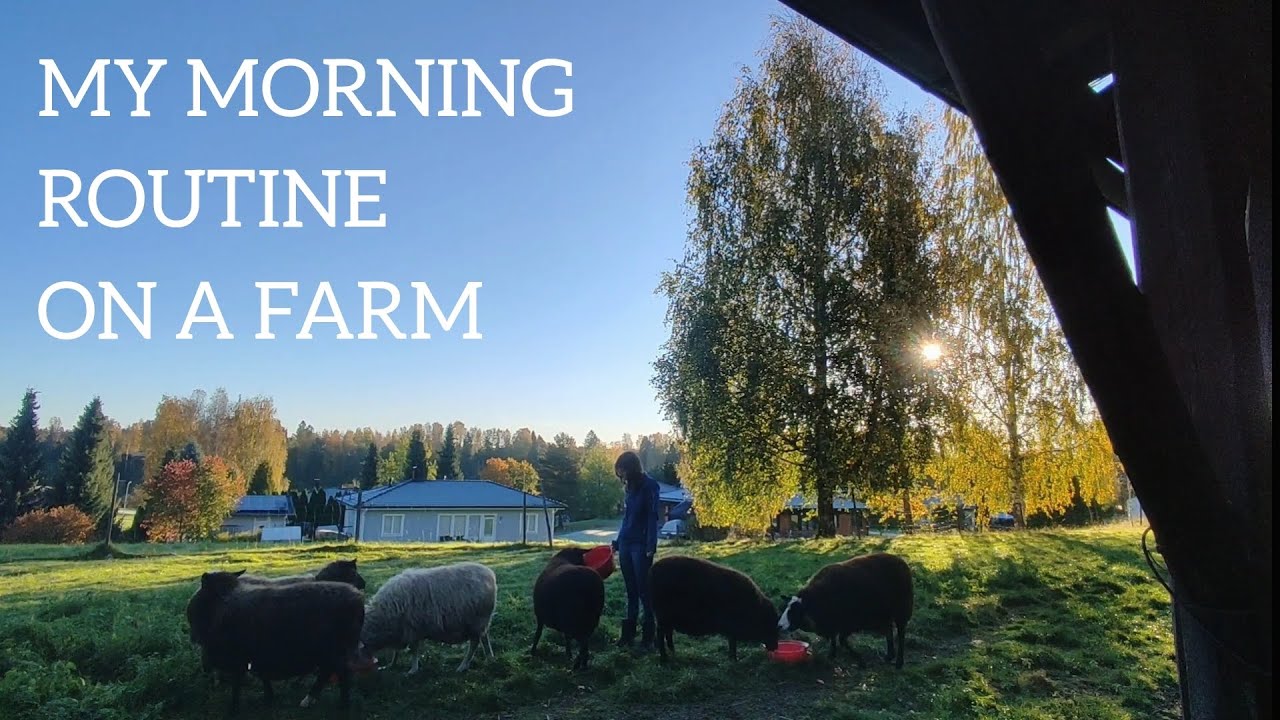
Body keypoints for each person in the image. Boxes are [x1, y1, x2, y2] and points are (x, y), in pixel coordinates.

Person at [611, 450, 660, 652]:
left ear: (630, 468)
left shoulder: (651, 486)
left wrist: (651, 546)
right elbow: (627, 518)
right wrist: (618, 541)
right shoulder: (629, 488)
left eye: (621, 471)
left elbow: (652, 517)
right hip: (627, 544)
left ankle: (649, 638)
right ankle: (628, 635)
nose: (620, 476)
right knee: (630, 591)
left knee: (644, 592)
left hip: (641, 546)